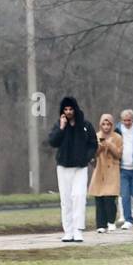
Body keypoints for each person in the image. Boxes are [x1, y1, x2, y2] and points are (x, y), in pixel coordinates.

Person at [48, 95, 97, 242]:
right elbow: (53, 142)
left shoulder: (85, 125)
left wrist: (86, 157)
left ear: (75, 109)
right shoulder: (59, 125)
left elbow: (93, 143)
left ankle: (78, 230)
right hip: (63, 167)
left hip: (80, 168)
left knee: (79, 197)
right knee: (66, 200)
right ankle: (68, 231)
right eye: (66, 109)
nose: (69, 112)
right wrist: (62, 128)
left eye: (71, 109)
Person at [90, 113, 122, 233]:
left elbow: (119, 154)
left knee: (110, 199)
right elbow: (93, 154)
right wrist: (100, 147)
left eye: (108, 124)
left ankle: (111, 221)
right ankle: (100, 224)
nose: (106, 127)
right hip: (100, 170)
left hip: (112, 171)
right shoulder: (96, 136)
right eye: (104, 124)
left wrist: (109, 145)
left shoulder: (117, 137)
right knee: (99, 199)